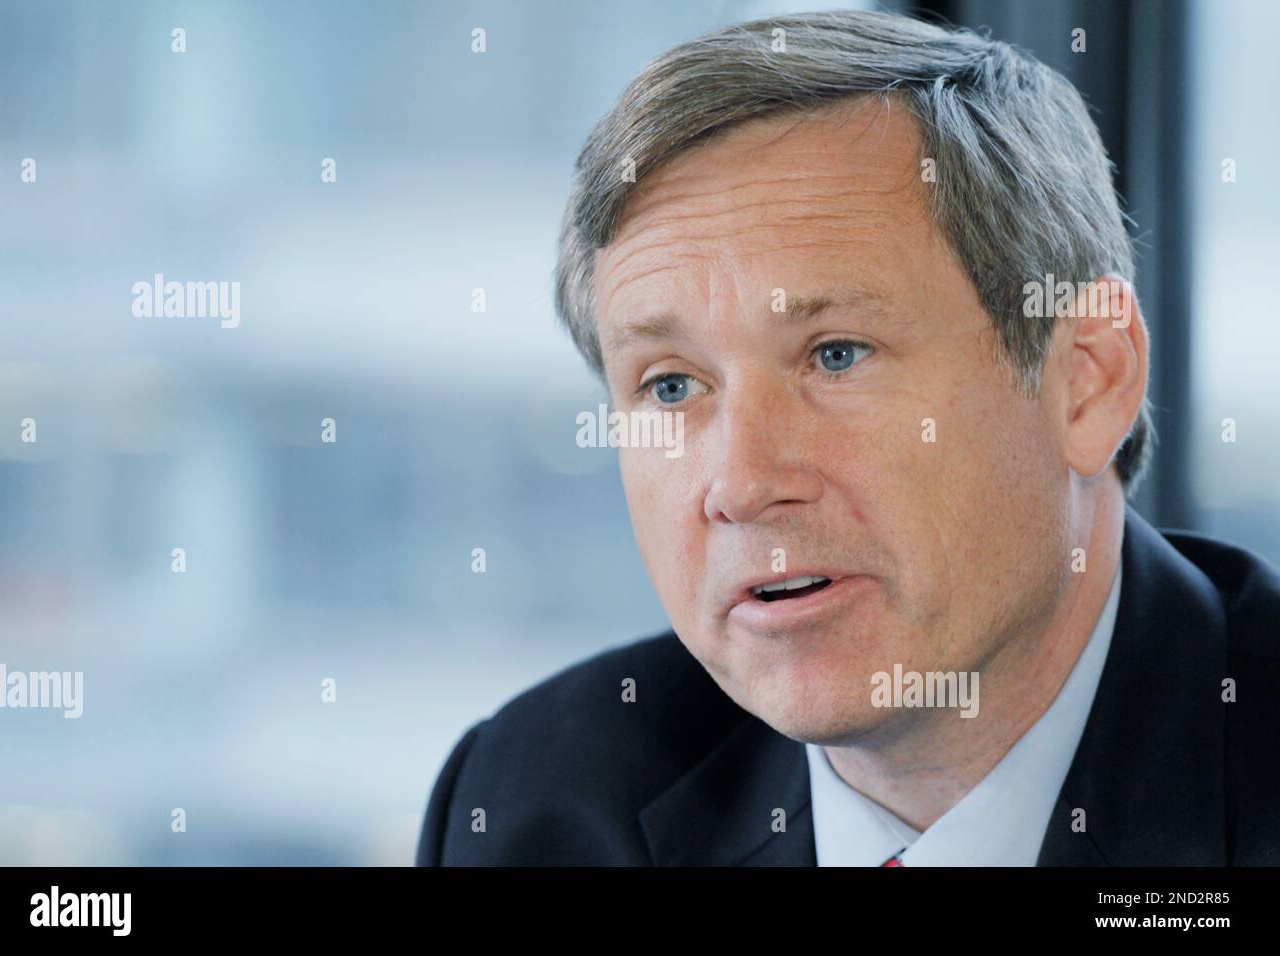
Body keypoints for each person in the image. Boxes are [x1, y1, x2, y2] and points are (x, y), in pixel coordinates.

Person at [417, 9, 1280, 866]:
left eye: (836, 356)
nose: (744, 484)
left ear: (1087, 380)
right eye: (671, 385)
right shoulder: (534, 805)